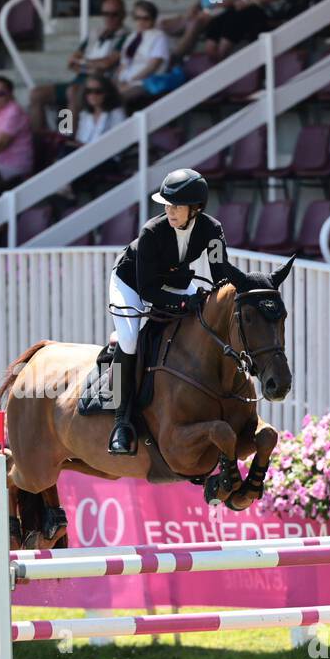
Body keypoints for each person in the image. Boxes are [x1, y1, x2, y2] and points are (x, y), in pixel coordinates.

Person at [105, 169, 237, 455]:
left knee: (204, 321)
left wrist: (247, 285)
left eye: (175, 206)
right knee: (128, 340)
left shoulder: (211, 230)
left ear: (196, 209)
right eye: (166, 204)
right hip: (132, 284)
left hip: (175, 284)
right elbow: (149, 291)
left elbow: (220, 275)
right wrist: (183, 305)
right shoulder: (152, 232)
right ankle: (121, 422)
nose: (169, 210)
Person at [27, 0, 127, 131]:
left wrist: (84, 63)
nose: (109, 18)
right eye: (105, 14)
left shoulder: (126, 36)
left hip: (100, 85)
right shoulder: (94, 34)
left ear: (123, 15)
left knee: (72, 92)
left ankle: (66, 135)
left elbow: (107, 64)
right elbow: (71, 63)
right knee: (37, 94)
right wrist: (92, 66)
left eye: (114, 14)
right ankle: (39, 144)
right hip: (79, 80)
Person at [115, 1, 172, 106]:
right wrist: (118, 81)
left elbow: (153, 66)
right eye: (137, 18)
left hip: (145, 83)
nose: (141, 22)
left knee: (117, 99)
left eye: (145, 18)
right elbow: (123, 64)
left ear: (153, 19)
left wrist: (131, 82)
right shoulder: (131, 37)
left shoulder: (159, 37)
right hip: (126, 80)